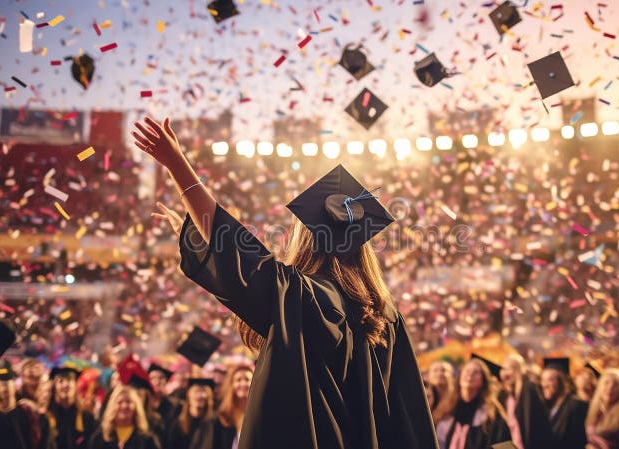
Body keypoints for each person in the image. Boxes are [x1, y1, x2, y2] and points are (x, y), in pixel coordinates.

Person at [134, 116, 437, 449]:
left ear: (304, 240)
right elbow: (411, 418)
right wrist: (192, 236)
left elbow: (237, 252)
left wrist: (177, 164)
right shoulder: (385, 316)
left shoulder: (302, 296)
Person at [437, 359, 510, 449]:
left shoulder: (492, 414)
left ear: (483, 381)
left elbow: (505, 446)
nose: (470, 374)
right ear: (460, 377)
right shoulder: (446, 409)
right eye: (467, 371)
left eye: (476, 372)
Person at [498, 354, 554, 449]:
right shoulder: (504, 396)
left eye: (509, 369)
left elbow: (538, 428)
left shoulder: (529, 391)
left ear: (519, 371)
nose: (504, 373)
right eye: (503, 369)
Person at [87, 385, 160, 449]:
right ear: (112, 407)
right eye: (120, 402)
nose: (124, 406)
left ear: (136, 407)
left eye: (128, 402)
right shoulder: (99, 439)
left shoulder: (148, 441)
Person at [539, 359, 587, 449]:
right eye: (543, 380)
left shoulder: (576, 406)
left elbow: (577, 442)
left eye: (549, 380)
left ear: (561, 381)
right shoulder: (549, 408)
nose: (544, 385)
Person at [47, 367, 96, 449]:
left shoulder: (87, 417)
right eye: (60, 381)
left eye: (69, 380)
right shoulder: (46, 417)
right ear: (54, 387)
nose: (65, 385)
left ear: (76, 385)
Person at [209, 364, 252, 449]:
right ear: (231, 384)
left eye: (247, 379)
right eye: (238, 380)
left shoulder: (258, 414)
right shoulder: (222, 417)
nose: (243, 384)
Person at [165, 378, 216, 449]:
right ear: (189, 395)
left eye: (203, 391)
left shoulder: (214, 424)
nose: (199, 396)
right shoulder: (177, 425)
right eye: (196, 391)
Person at [428, 361, 459, 427]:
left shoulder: (458, 396)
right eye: (435, 370)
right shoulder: (426, 397)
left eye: (443, 370)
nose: (439, 374)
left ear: (451, 374)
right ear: (428, 376)